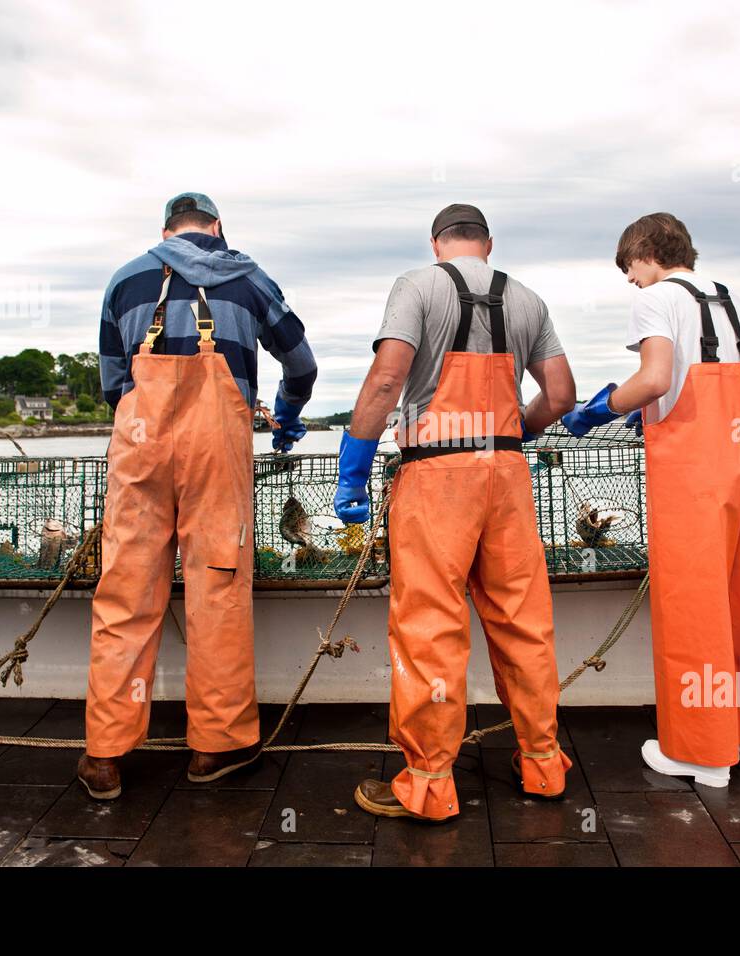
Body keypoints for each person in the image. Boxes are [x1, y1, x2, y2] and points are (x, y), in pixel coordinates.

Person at [334, 204, 577, 821]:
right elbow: (562, 395)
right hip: (508, 474)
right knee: (524, 620)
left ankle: (428, 784)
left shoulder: (415, 286)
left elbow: (388, 381)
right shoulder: (527, 300)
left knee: (429, 627)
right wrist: (515, 430)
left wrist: (355, 464)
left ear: (437, 242)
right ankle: (544, 765)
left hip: (436, 476)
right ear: (486, 244)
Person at [78, 192, 317, 800]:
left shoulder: (125, 280)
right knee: (218, 587)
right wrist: (286, 414)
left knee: (126, 589)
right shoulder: (249, 276)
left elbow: (113, 381)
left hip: (139, 446)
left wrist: (143, 424)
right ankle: (216, 746)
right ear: (217, 228)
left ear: (165, 232)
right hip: (218, 448)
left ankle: (105, 755)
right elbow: (302, 362)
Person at [563, 212, 740, 788]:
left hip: (697, 472)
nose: (630, 282)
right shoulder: (733, 300)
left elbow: (656, 378)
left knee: (694, 603)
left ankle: (701, 753)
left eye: (628, 269)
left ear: (645, 254)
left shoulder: (657, 297)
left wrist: (604, 406)